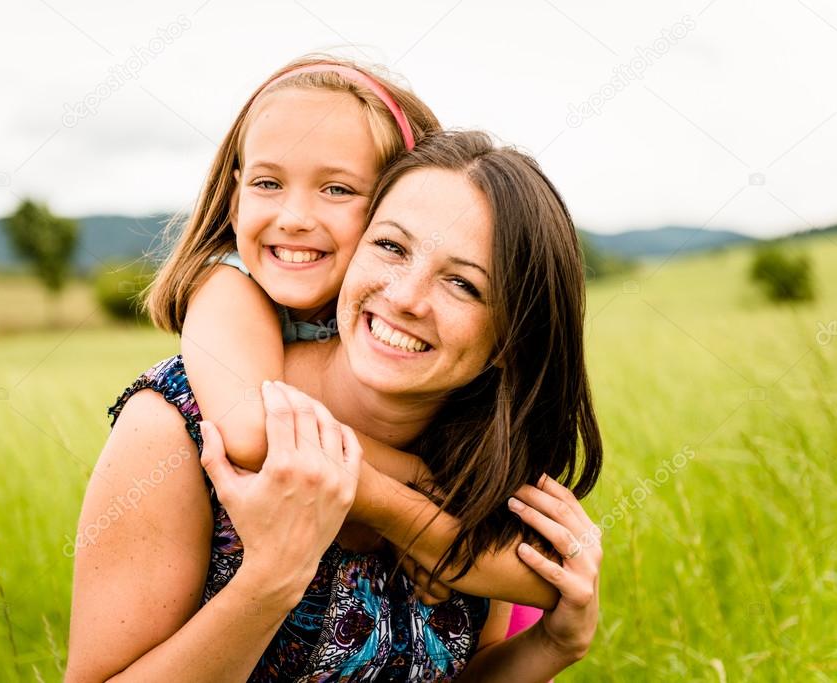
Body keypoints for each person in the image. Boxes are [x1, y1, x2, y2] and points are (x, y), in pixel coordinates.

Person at [65, 130, 603, 681]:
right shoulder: (184, 426)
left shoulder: (474, 454)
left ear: (512, 341)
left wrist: (551, 646)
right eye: (391, 247)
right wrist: (272, 579)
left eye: (463, 284)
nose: (403, 297)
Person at [143, 55, 559, 610]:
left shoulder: (419, 348)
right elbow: (250, 428)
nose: (293, 216)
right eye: (268, 182)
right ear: (236, 192)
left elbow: (542, 580)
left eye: (337, 190)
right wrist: (412, 486)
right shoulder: (228, 285)